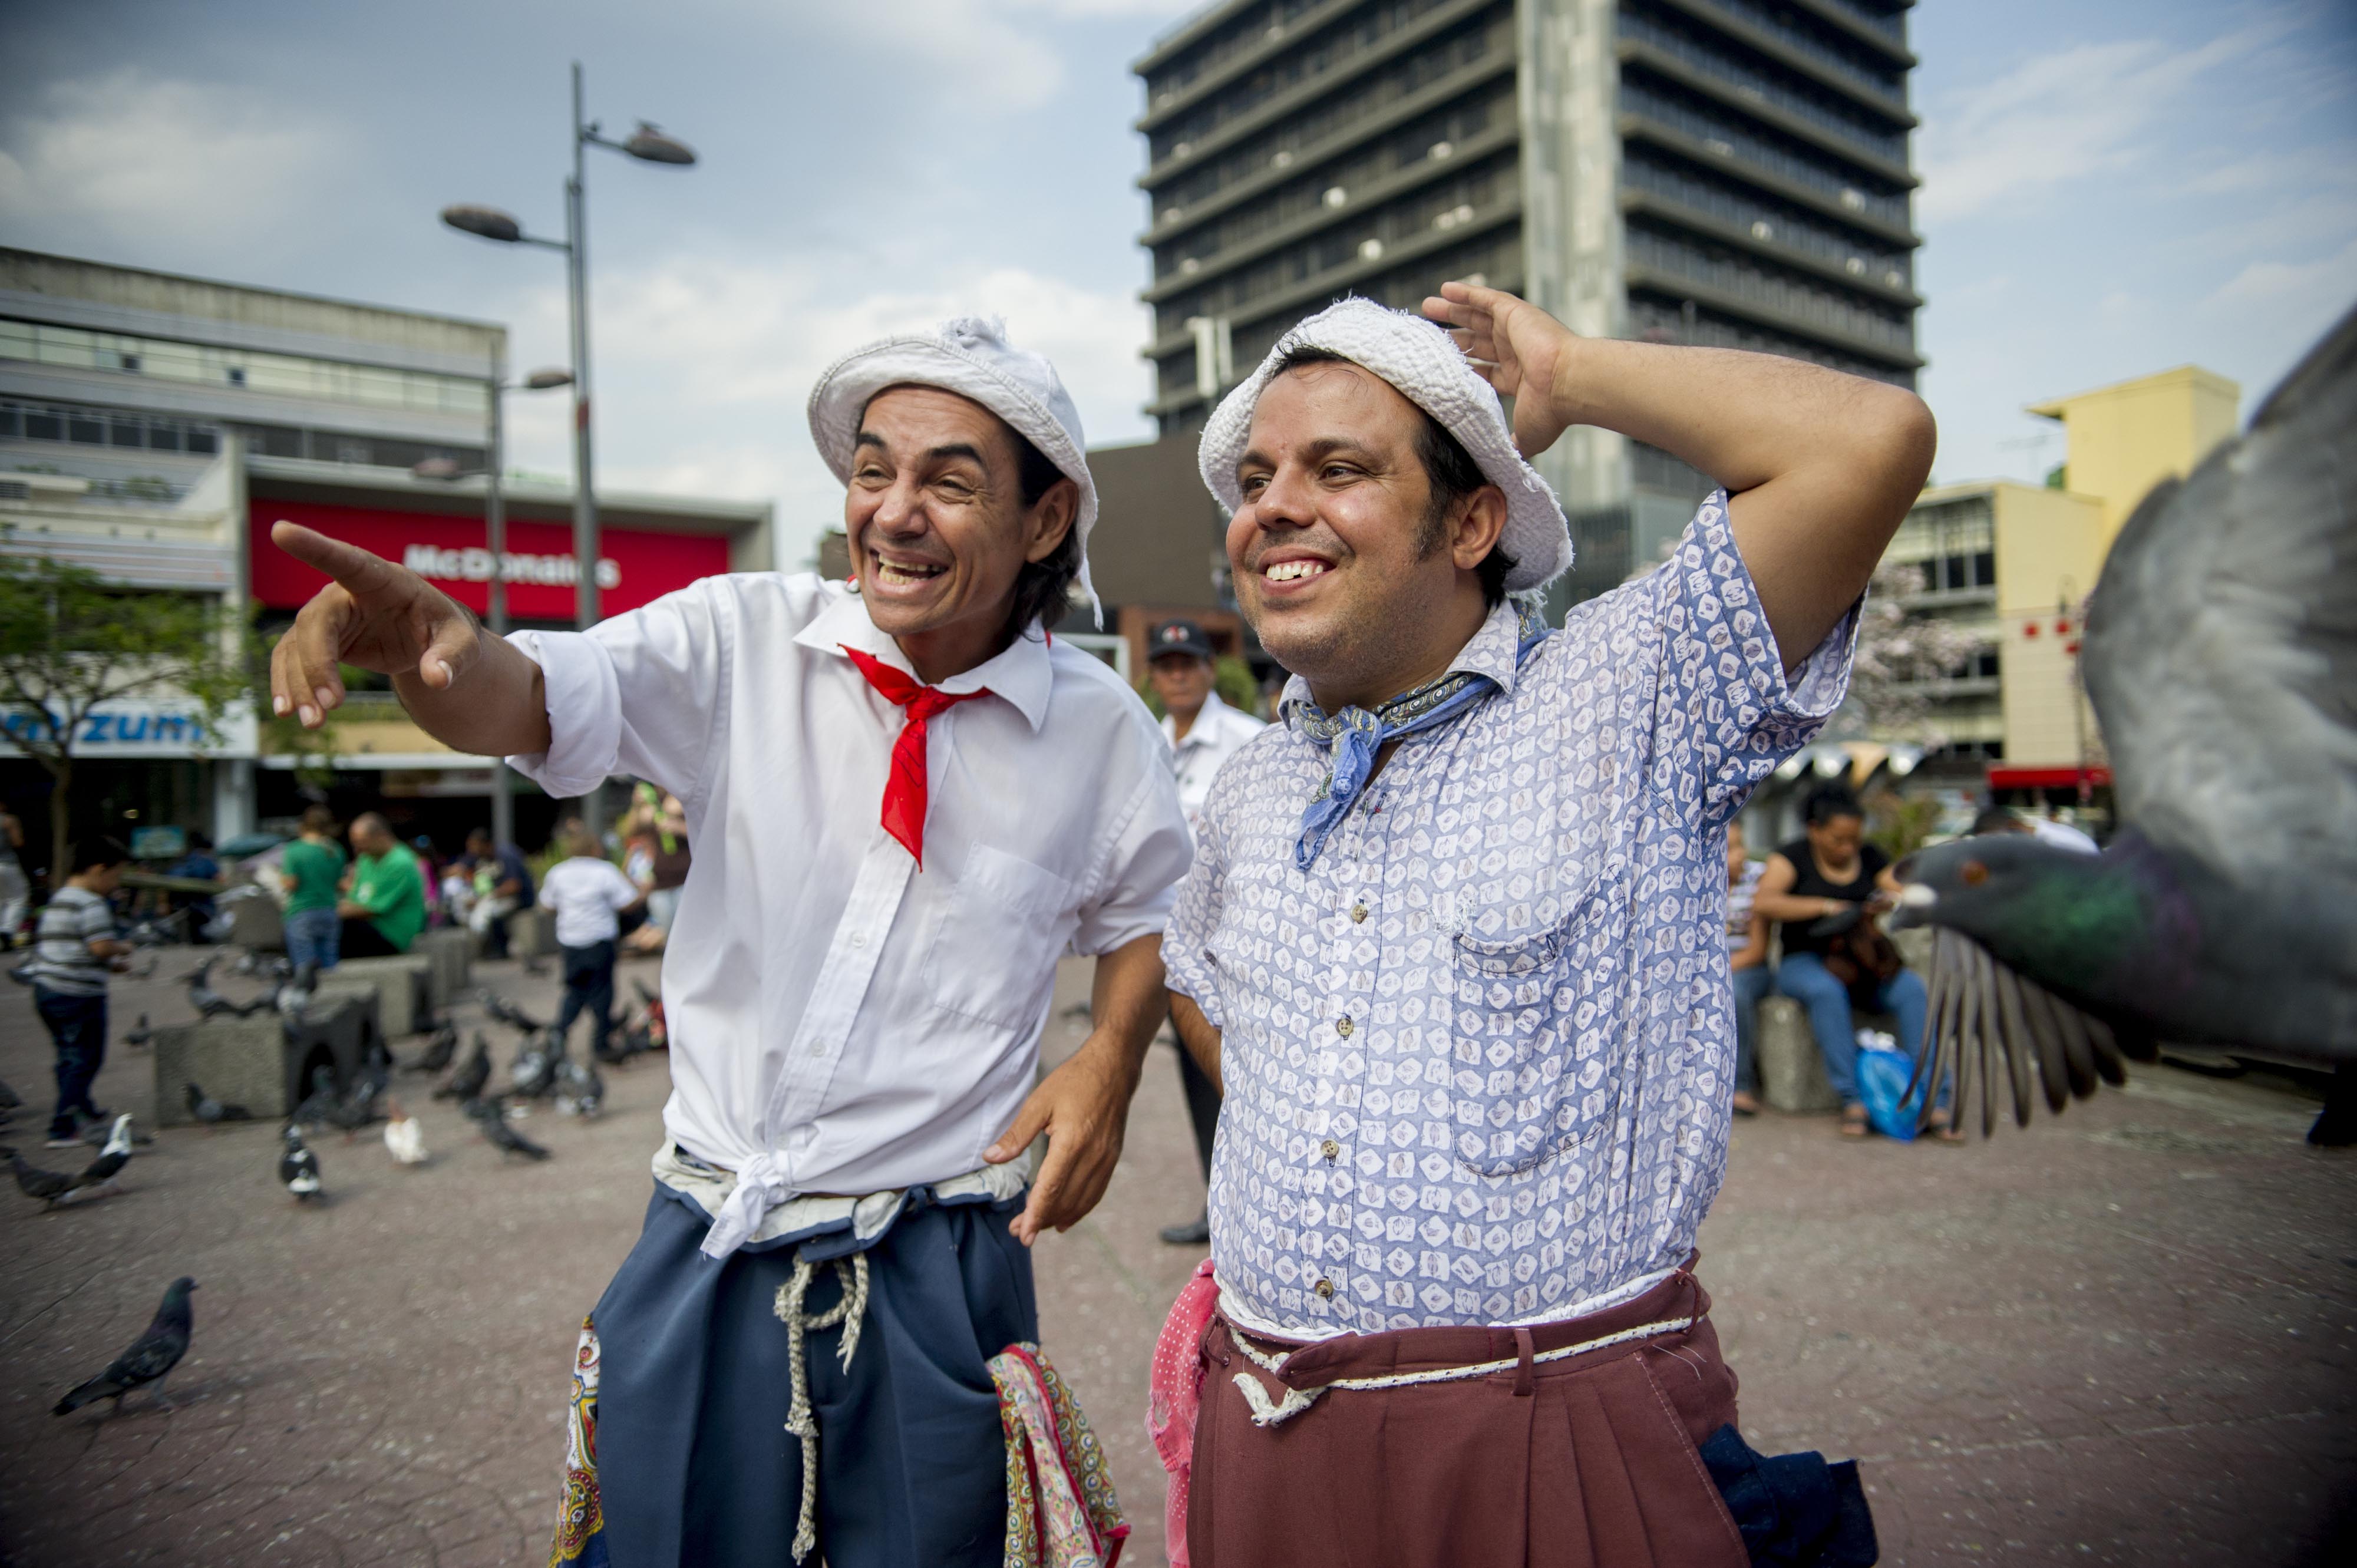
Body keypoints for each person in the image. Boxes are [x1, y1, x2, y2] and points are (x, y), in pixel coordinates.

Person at [265, 313, 1191, 1566]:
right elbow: (535, 697)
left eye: (949, 480)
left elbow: (1143, 912)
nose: (895, 511)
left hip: (939, 1259)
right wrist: (430, 654)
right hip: (702, 1234)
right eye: (873, 470)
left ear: (1043, 522)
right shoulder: (739, 637)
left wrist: (1110, 1059)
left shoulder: (1101, 728)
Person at [1156, 285, 1923, 1565]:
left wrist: (1568, 372)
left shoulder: (1627, 694)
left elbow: (1867, 441)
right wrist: (1301, 1138)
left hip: (1551, 1425)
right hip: (1271, 1426)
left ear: (1470, 520)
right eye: (1253, 478)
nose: (1271, 508)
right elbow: (1197, 976)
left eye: (1337, 469)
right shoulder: (1250, 781)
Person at [1147, 618, 1265, 1247]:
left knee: (1245, 1083)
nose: (1177, 676)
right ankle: (1219, 1211)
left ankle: (1259, 1216)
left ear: (1206, 669)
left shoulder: (1248, 742)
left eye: (1187, 664)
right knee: (1199, 1088)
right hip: (1175, 952)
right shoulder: (1149, 745)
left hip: (1236, 950)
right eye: (1166, 667)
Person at [1757, 787, 1937, 1139]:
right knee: (1826, 992)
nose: (1848, 848)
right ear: (1814, 829)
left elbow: (1900, 887)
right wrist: (1826, 907)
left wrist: (1891, 899)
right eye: (1838, 839)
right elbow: (1765, 903)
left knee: (1912, 990)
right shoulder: (1790, 858)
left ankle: (1934, 1097)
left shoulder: (1869, 856)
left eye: (1854, 839)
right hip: (1805, 960)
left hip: (1863, 961)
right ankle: (1853, 1098)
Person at [24, 836, 132, 1148]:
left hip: (48, 990)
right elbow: (99, 947)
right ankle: (63, 1125)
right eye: (116, 876)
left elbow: (71, 949)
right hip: (77, 996)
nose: (116, 884)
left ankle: (82, 1108)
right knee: (85, 1058)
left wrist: (110, 967)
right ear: (99, 871)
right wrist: (121, 948)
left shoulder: (60, 899)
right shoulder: (91, 903)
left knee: (68, 1057)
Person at [540, 825, 644, 1061]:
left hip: (571, 939)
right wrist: (644, 892)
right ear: (594, 848)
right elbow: (626, 903)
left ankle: (560, 1034)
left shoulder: (558, 872)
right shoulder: (604, 871)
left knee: (575, 990)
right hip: (599, 939)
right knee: (602, 992)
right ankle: (601, 1043)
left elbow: (547, 905)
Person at [1726, 819, 1771, 1117]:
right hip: (1710, 966)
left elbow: (1757, 950)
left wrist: (1718, 972)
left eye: (1741, 845)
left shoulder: (1758, 880)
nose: (1740, 855)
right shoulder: (1695, 879)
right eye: (1729, 849)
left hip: (1746, 966)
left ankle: (1740, 1085)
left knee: (1735, 994)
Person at [336, 813, 425, 958]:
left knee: (336, 928)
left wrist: (330, 912)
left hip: (391, 934)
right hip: (368, 926)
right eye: (355, 843)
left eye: (362, 842)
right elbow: (354, 898)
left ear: (381, 836)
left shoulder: (401, 862)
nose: (358, 849)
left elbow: (373, 909)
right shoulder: (366, 859)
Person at [282, 805, 346, 972]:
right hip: (330, 911)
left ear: (303, 825)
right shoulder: (335, 849)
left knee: (305, 967)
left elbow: (291, 884)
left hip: (302, 910)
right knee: (329, 963)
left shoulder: (294, 850)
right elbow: (341, 884)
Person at [628, 793, 693, 955]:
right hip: (660, 883)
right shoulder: (650, 798)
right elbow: (631, 832)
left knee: (690, 936)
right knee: (670, 940)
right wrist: (637, 806)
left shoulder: (683, 792)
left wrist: (679, 826)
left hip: (686, 880)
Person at [460, 827, 535, 958]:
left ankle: (499, 950)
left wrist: (484, 898)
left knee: (490, 912)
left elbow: (514, 886)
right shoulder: (480, 858)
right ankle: (480, 949)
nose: (471, 850)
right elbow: (461, 871)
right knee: (464, 904)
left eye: (474, 846)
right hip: (496, 897)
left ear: (485, 844)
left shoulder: (505, 855)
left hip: (520, 898)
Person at [0, 803, 29, 944]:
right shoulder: (8, 820)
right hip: (6, 863)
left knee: (1, 899)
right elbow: (18, 842)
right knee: (18, 897)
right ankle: (7, 932)